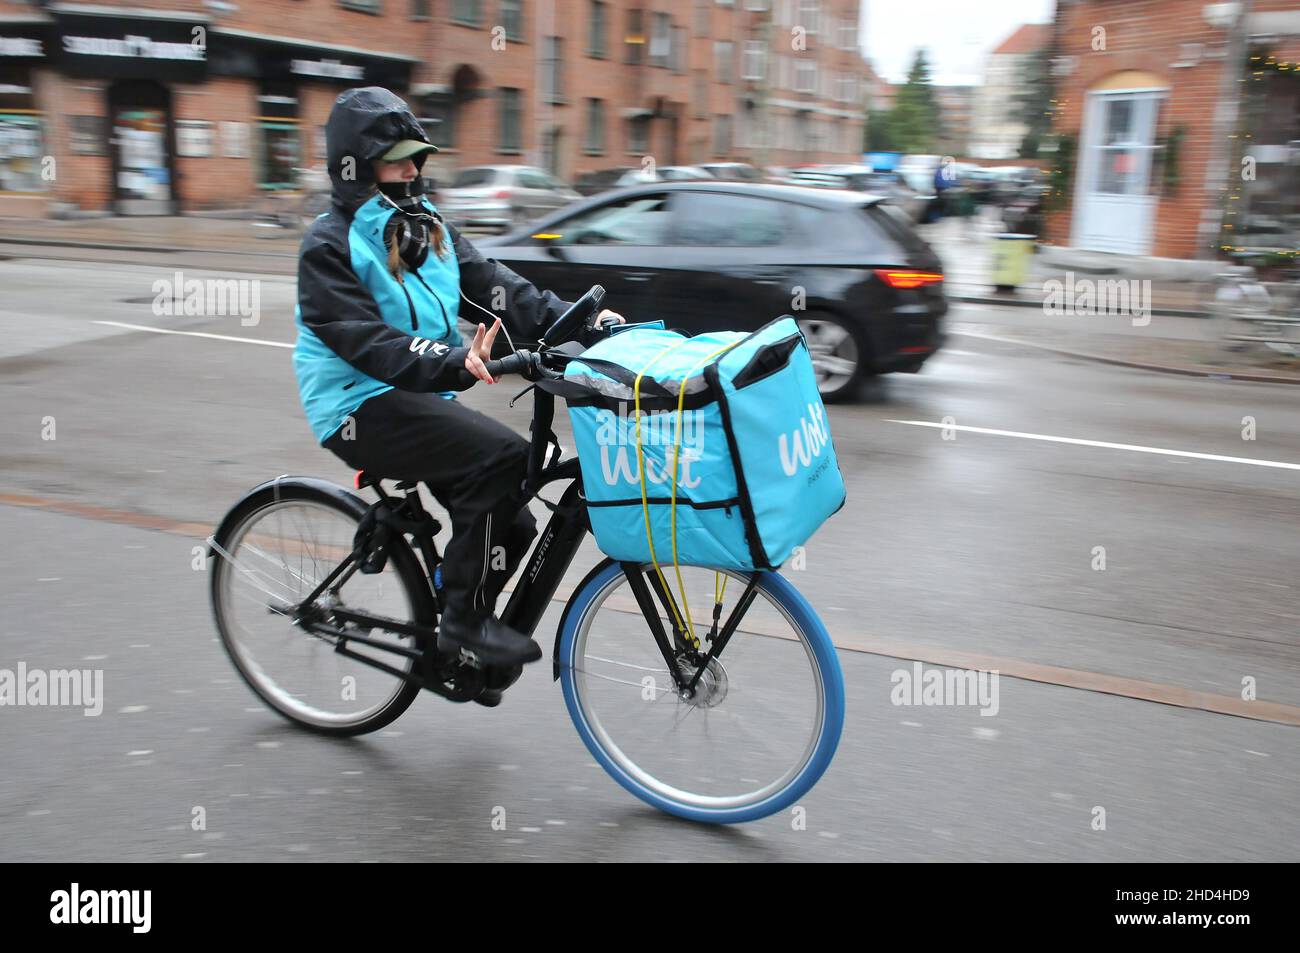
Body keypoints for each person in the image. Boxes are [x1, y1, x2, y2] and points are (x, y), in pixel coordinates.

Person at [292, 87, 622, 689]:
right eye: (397, 159)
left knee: (515, 523)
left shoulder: (427, 227)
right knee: (500, 463)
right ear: (357, 167)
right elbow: (363, 340)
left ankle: (451, 622)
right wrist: (449, 361)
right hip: (355, 404)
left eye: (418, 158)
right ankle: (464, 626)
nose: (413, 171)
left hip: (420, 395)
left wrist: (582, 325)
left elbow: (498, 286)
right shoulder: (329, 244)